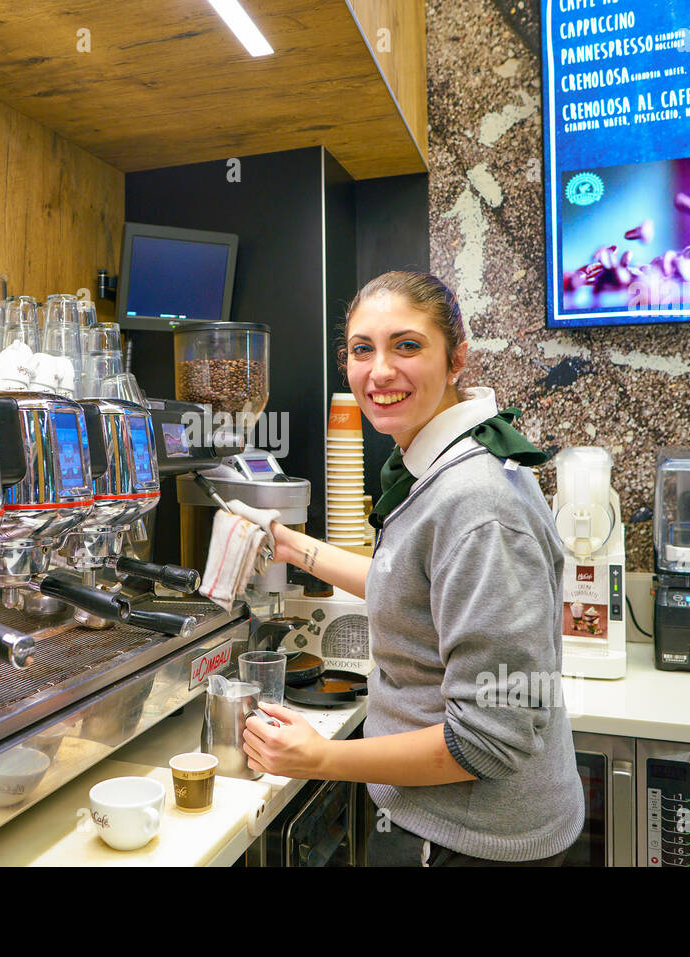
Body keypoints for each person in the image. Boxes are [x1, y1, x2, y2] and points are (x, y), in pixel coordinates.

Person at [232, 271, 584, 867]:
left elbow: (487, 740)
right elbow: (414, 591)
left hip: (474, 841)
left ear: (456, 361)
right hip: (447, 821)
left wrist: (319, 758)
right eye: (362, 350)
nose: (380, 372)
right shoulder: (443, 463)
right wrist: (293, 547)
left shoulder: (476, 502)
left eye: (407, 345)